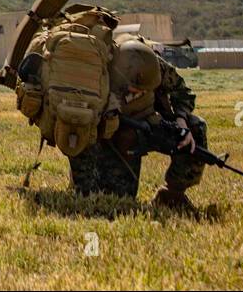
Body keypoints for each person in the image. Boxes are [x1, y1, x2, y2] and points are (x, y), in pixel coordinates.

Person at [69, 35, 209, 210]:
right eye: (135, 88)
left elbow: (183, 92)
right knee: (114, 201)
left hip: (144, 124)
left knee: (196, 126)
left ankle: (172, 195)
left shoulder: (152, 65)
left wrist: (182, 122)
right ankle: (83, 187)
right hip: (107, 135)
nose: (139, 92)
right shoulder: (97, 73)